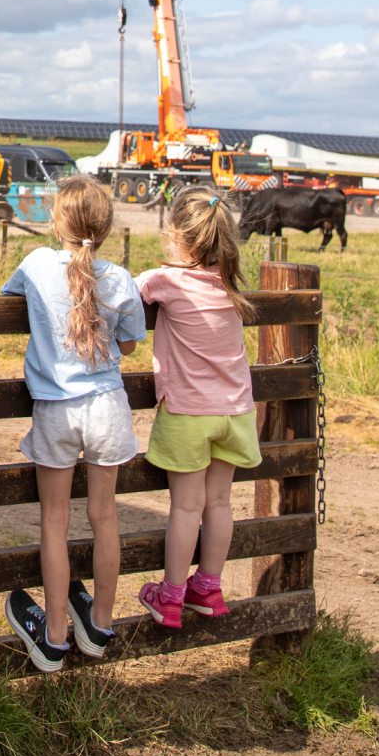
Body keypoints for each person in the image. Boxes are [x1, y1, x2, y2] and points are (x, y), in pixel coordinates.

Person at [0, 177, 146, 673]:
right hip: (107, 406)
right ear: (106, 227)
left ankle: (56, 633)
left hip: (56, 409)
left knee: (54, 521)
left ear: (55, 222)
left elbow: (8, 299)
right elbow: (130, 343)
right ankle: (100, 625)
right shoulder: (120, 278)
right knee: (105, 517)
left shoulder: (37, 264)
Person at [137, 188, 258, 629]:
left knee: (187, 507)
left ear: (176, 236)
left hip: (190, 411)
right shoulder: (228, 284)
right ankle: (207, 587)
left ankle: (170, 595)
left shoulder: (166, 281)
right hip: (236, 412)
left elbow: (124, 294)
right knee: (220, 502)